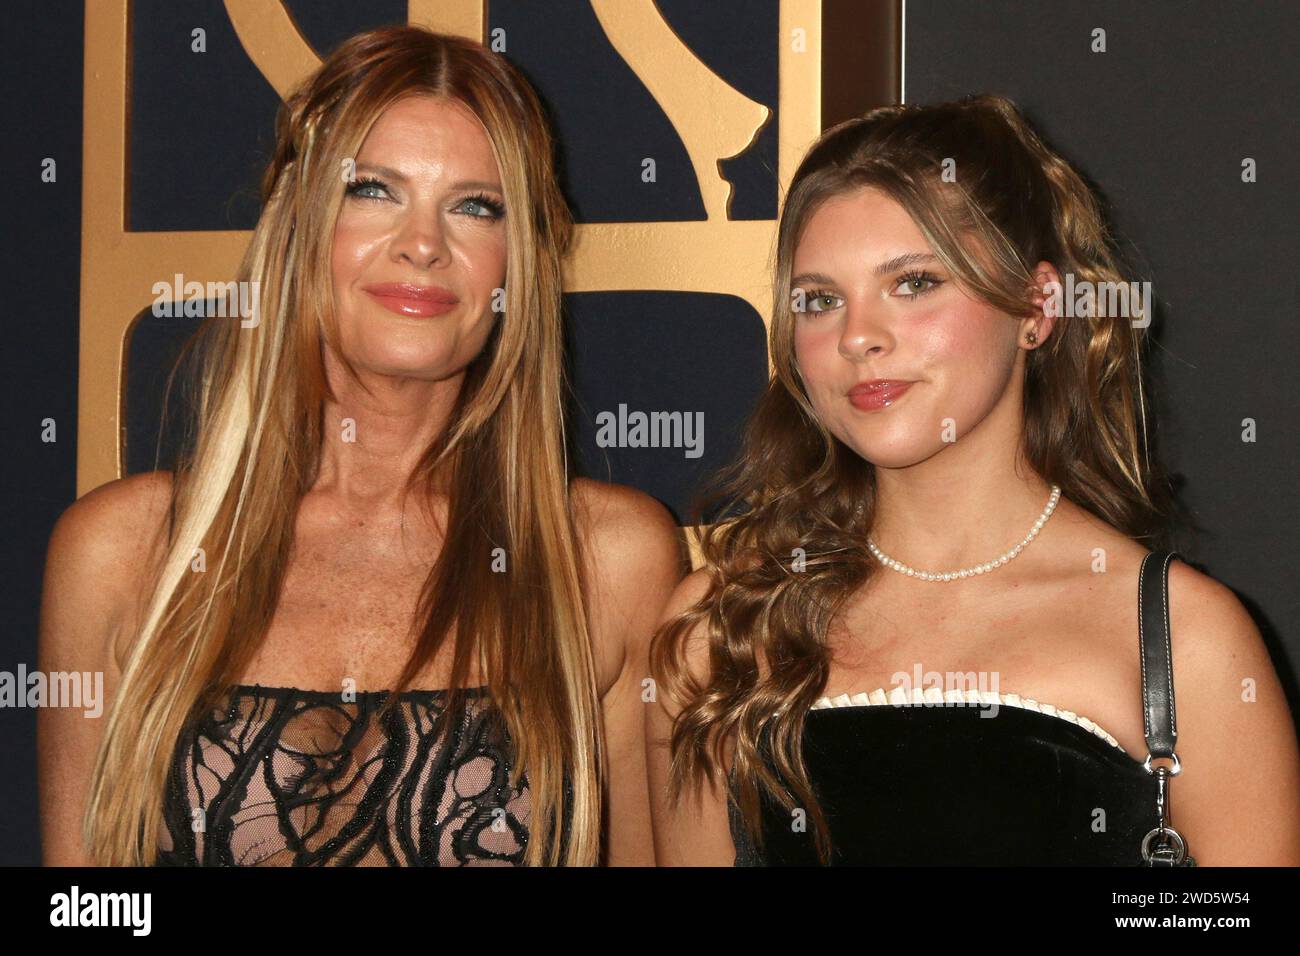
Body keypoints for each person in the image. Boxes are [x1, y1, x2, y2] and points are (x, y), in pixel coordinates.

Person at [38, 25, 683, 867]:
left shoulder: (607, 560)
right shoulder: (122, 553)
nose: (423, 244)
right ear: (299, 229)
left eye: (475, 206)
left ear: (515, 267)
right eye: (373, 190)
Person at [645, 94, 1300, 865]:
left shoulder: (1182, 637)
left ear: (1037, 306)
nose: (858, 337)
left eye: (914, 283)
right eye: (820, 301)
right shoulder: (719, 630)